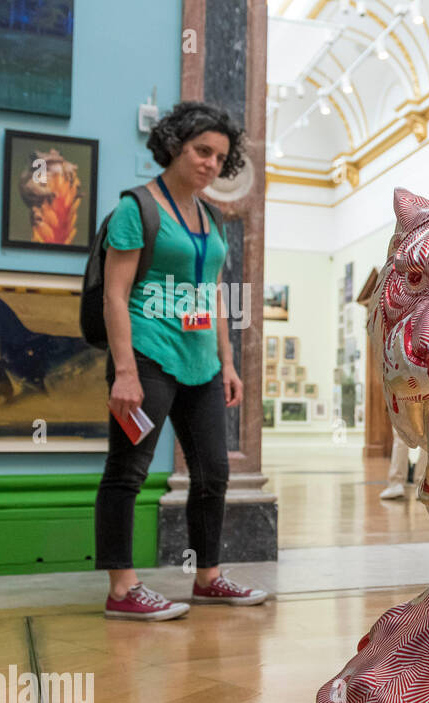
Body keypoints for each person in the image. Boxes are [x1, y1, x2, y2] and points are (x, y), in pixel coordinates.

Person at [96, 101, 268, 620]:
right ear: (174, 145)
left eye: (220, 156)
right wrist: (125, 371)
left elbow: (213, 293)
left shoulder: (209, 217)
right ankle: (122, 590)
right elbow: (114, 295)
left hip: (202, 363)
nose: (211, 163)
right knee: (128, 471)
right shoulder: (137, 208)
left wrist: (229, 362)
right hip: (147, 354)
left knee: (214, 472)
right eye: (201, 150)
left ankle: (208, 578)